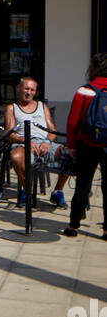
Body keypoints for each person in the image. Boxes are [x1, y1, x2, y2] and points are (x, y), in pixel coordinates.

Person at [4, 76, 71, 207]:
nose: (29, 92)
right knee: (16, 157)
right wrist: (25, 141)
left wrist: (47, 141)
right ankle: (27, 190)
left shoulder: (42, 106)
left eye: (32, 90)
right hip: (23, 143)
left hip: (44, 142)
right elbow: (8, 134)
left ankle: (57, 191)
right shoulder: (12, 108)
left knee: (69, 155)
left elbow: (52, 130)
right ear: (19, 89)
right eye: (26, 89)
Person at [62, 52, 107, 240]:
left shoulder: (84, 91)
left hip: (87, 144)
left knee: (82, 185)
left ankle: (74, 226)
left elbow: (72, 122)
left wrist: (71, 146)